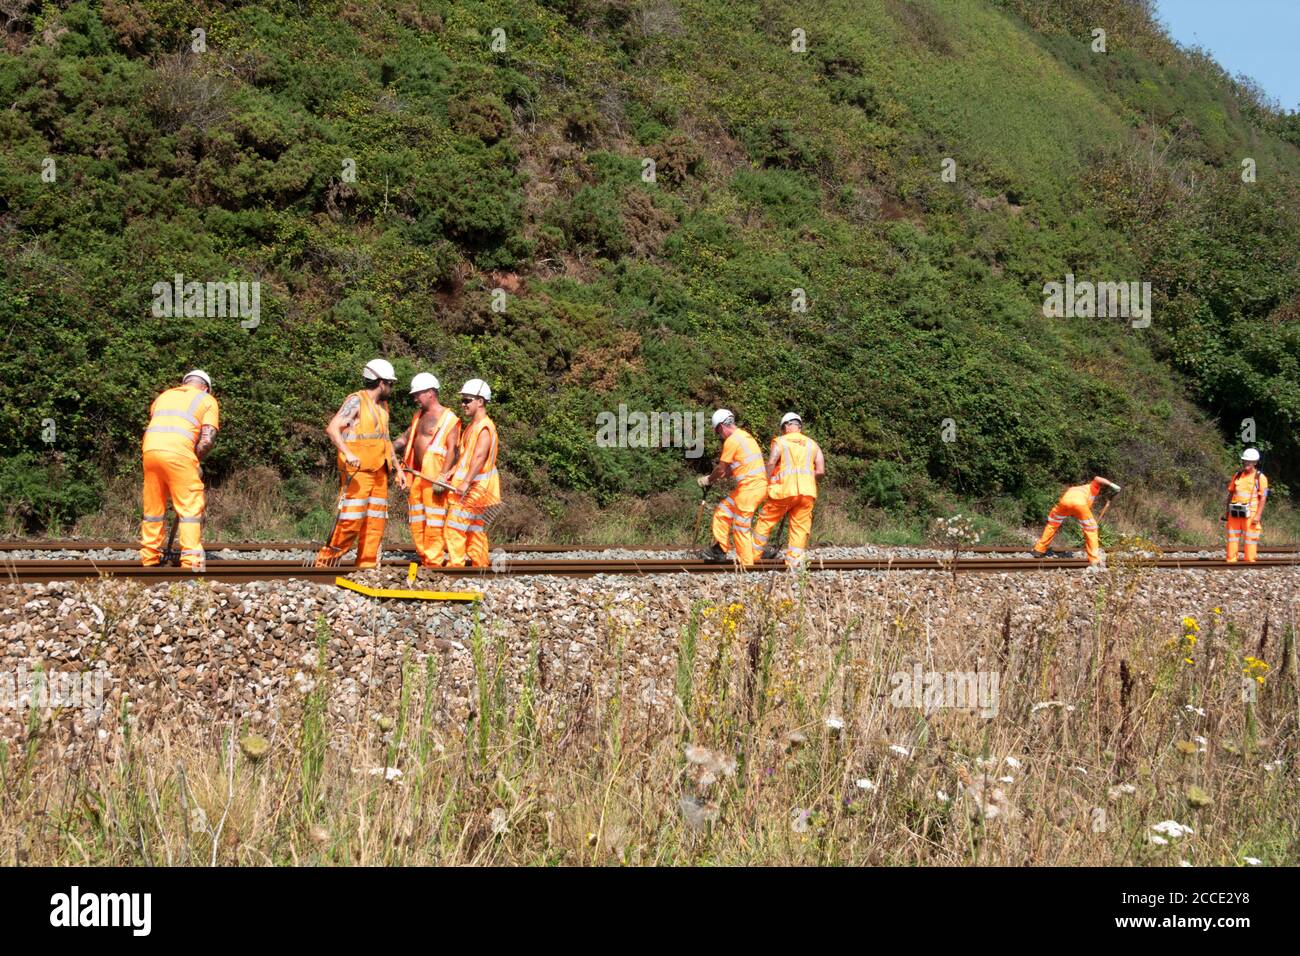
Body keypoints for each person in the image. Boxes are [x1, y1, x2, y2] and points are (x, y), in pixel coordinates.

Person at [315, 359, 407, 569]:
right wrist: (347, 453)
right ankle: (325, 565)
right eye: (390, 384)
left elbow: (385, 439)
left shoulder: (383, 407)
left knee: (375, 524)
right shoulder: (356, 401)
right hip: (358, 474)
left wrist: (399, 469)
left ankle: (365, 568)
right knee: (349, 522)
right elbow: (332, 429)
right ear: (381, 383)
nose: (391, 388)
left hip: (380, 473)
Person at [140, 370, 219, 570]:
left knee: (153, 509)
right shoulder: (207, 399)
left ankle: (149, 558)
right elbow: (207, 439)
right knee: (190, 508)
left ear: (184, 382)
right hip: (180, 454)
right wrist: (195, 459)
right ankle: (191, 562)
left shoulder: (163, 396)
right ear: (206, 387)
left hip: (149, 451)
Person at [393, 372, 461, 567]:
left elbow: (452, 450)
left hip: (434, 478)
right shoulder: (419, 417)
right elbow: (405, 439)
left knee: (434, 520)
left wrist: (443, 476)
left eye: (418, 394)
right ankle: (425, 556)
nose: (415, 398)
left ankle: (434, 561)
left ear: (430, 393)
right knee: (417, 519)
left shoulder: (448, 418)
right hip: (418, 476)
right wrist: (386, 447)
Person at [438, 379, 500, 568]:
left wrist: (465, 482)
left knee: (454, 526)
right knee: (474, 528)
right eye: (462, 401)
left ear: (480, 401)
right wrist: (450, 472)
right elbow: (465, 458)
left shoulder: (484, 427)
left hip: (475, 488)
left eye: (467, 400)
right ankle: (480, 565)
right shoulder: (472, 427)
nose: (463, 404)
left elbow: (479, 457)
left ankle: (455, 567)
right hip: (474, 487)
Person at [751, 412, 824, 565]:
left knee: (765, 520)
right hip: (806, 493)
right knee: (799, 527)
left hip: (782, 492)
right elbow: (820, 471)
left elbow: (771, 463)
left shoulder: (781, 442)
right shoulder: (812, 444)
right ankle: (793, 562)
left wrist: (767, 482)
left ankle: (752, 556)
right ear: (799, 426)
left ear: (786, 426)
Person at [697, 409, 768, 566]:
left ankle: (747, 566)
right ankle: (720, 549)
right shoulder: (745, 436)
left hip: (750, 488)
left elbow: (721, 468)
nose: (719, 435)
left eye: (717, 432)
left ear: (721, 427)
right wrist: (717, 476)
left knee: (741, 527)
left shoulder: (732, 441)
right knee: (723, 512)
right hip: (750, 487)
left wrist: (709, 479)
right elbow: (731, 469)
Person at [1030, 475, 1121, 566]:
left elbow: (1071, 505)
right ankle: (1094, 559)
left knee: (1052, 525)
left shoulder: (1075, 489)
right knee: (1091, 530)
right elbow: (1097, 478)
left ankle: (1039, 550)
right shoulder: (1092, 486)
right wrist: (1112, 485)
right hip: (1079, 504)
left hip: (1063, 503)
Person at [1225, 448, 1268, 563]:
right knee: (1232, 537)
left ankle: (1249, 561)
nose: (1246, 463)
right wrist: (1227, 511)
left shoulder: (1260, 478)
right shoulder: (1238, 475)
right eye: (1245, 461)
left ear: (1255, 462)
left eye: (1249, 461)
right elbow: (1231, 493)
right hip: (1234, 512)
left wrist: (1258, 515)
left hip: (1251, 514)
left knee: (1250, 538)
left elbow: (1263, 498)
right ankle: (1231, 561)